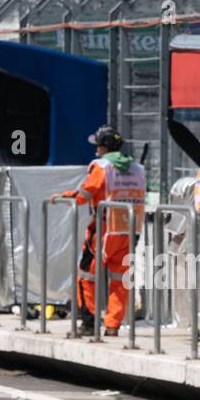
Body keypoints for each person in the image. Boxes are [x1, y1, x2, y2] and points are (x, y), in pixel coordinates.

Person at [54, 126, 146, 336]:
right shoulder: (137, 169)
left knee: (86, 276)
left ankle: (88, 324)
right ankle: (112, 326)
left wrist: (63, 196)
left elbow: (85, 194)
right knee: (120, 279)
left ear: (104, 146)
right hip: (130, 229)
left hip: (104, 230)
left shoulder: (102, 167)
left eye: (98, 144)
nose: (96, 149)